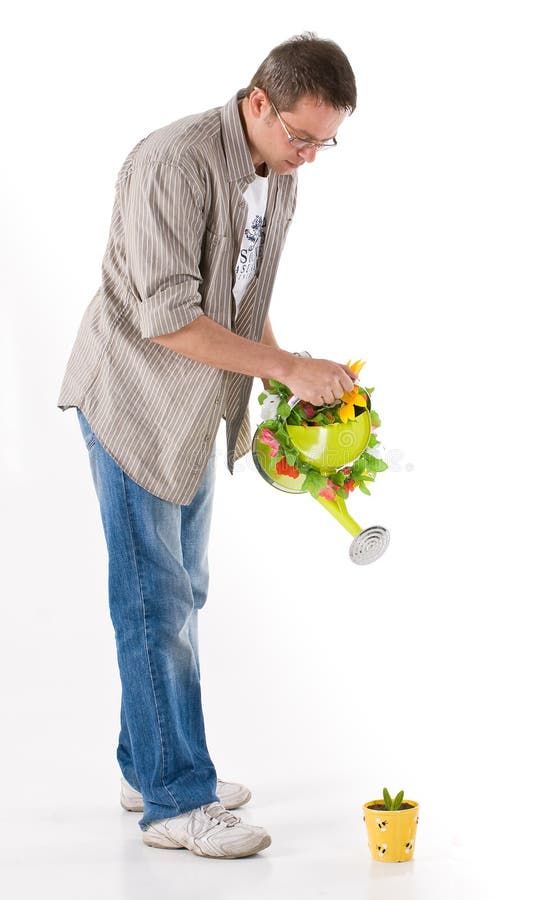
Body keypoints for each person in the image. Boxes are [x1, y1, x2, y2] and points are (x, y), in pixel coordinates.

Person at [57, 32, 357, 859]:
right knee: (155, 604)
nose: (309, 156)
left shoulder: (276, 175)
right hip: (134, 399)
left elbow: (240, 289)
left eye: (324, 142)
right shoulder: (173, 165)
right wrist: (289, 365)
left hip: (193, 407)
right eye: (301, 136)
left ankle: (145, 762)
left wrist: (279, 381)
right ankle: (176, 802)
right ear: (258, 101)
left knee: (183, 588)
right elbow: (167, 316)